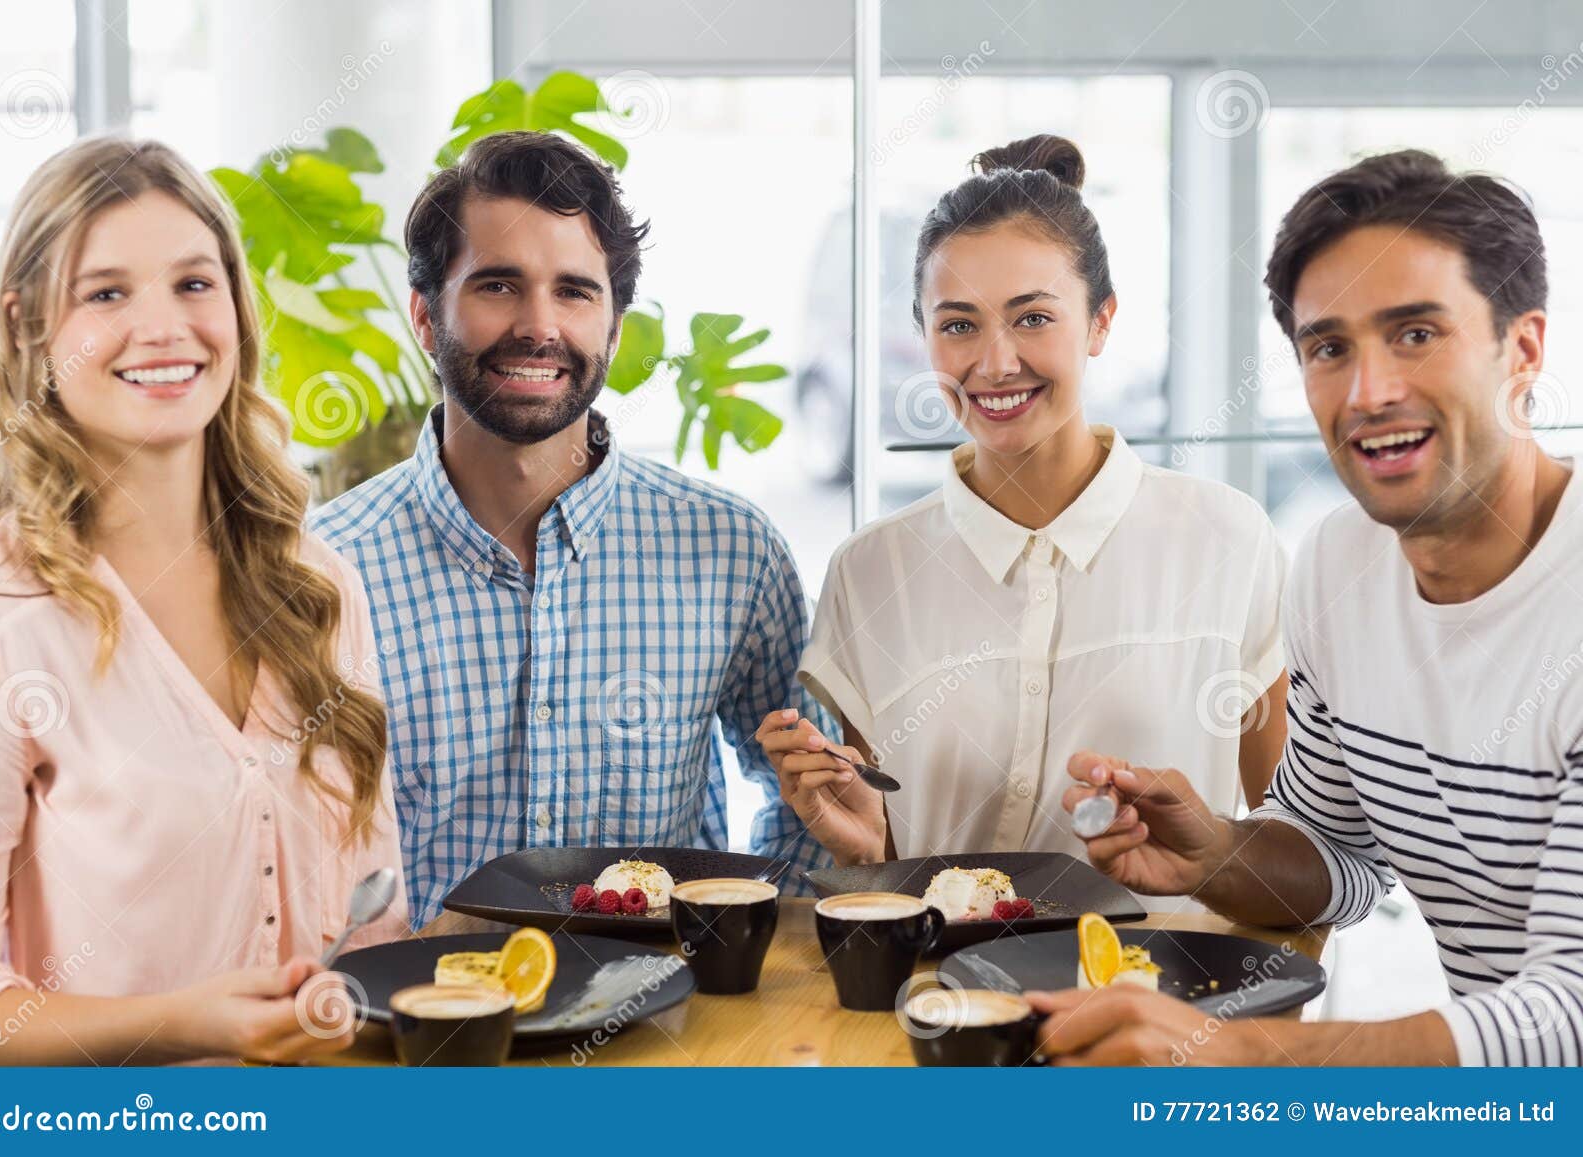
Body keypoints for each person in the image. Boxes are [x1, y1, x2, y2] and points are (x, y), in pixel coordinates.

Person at [1039, 150, 1581, 1066]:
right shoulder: (1340, 562)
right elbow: (1338, 857)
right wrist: (1216, 853)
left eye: (1415, 333)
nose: (1368, 392)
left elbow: (1571, 1009)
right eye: (1329, 347)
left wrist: (1248, 1053)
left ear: (1522, 349)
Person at [310, 131, 835, 925]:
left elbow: (813, 806)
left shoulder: (732, 551)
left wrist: (739, 953)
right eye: (497, 285)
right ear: (425, 316)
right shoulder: (322, 569)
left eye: (575, 292)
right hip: (417, 1036)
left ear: (615, 330)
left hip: (674, 1031)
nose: (538, 325)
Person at [756, 136, 1287, 880]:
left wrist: (1265, 998)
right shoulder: (869, 573)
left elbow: (1294, 847)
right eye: (958, 324)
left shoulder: (1228, 540)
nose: (995, 362)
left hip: (1161, 987)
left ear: (1101, 321)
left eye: (1033, 317)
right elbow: (894, 860)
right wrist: (861, 844)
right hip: (938, 993)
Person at [0, 138, 408, 1064]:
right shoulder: (2, 618)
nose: (165, 327)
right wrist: (186, 1022)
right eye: (106, 294)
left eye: (192, 283)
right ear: (23, 326)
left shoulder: (315, 580)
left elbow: (378, 922)